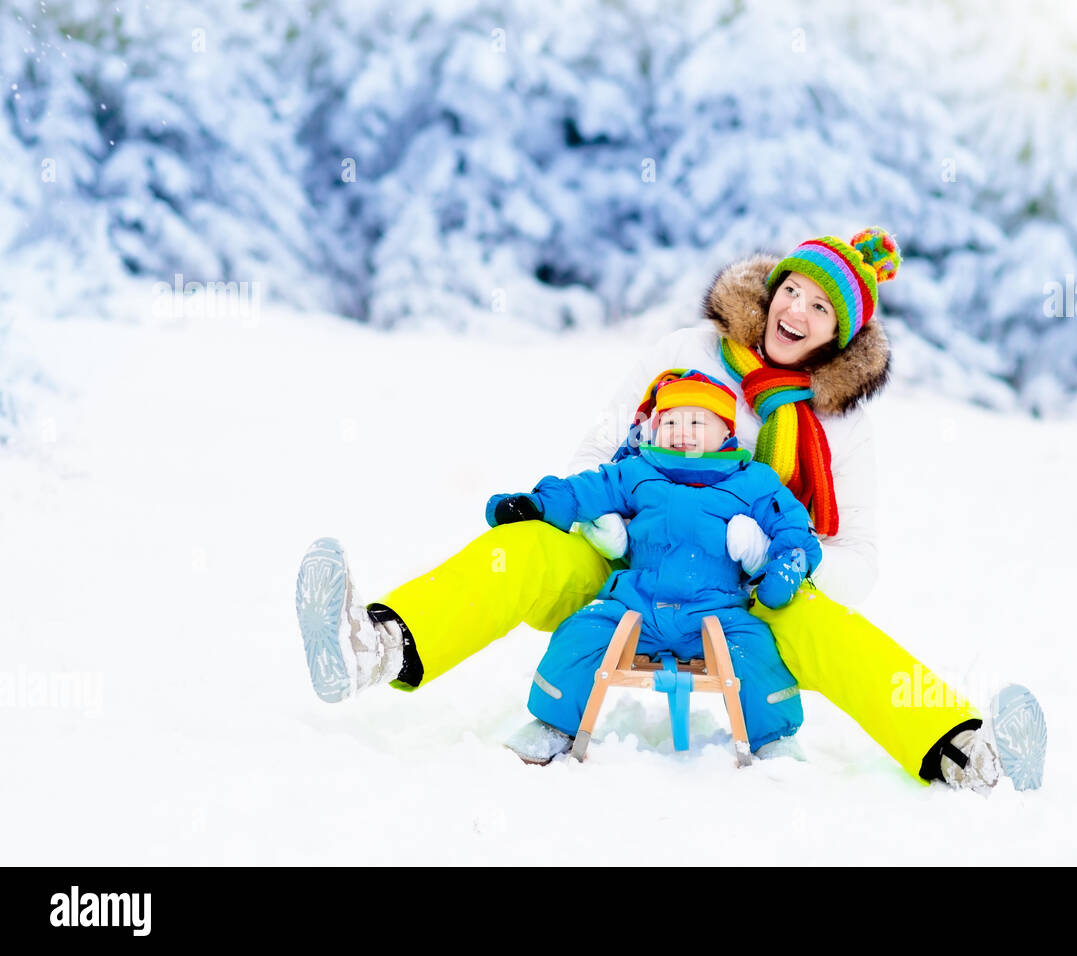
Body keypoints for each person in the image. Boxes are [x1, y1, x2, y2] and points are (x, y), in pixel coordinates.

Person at [294, 226, 1000, 793]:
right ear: (771, 287)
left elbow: (863, 558)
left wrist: (780, 566)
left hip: (752, 600)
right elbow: (602, 446)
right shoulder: (691, 352)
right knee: (528, 550)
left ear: (839, 334)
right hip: (624, 566)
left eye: (821, 308)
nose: (796, 311)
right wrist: (599, 523)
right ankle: (379, 643)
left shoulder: (839, 422)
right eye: (792, 290)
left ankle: (954, 746)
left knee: (832, 629)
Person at [485, 369, 820, 764]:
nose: (682, 431)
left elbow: (794, 527)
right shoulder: (638, 471)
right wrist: (537, 504)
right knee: (581, 633)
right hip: (636, 602)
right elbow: (584, 490)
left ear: (726, 432)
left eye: (697, 421)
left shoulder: (752, 482)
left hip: (718, 611)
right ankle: (552, 724)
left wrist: (790, 563)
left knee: (758, 650)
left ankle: (773, 738)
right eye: (670, 421)